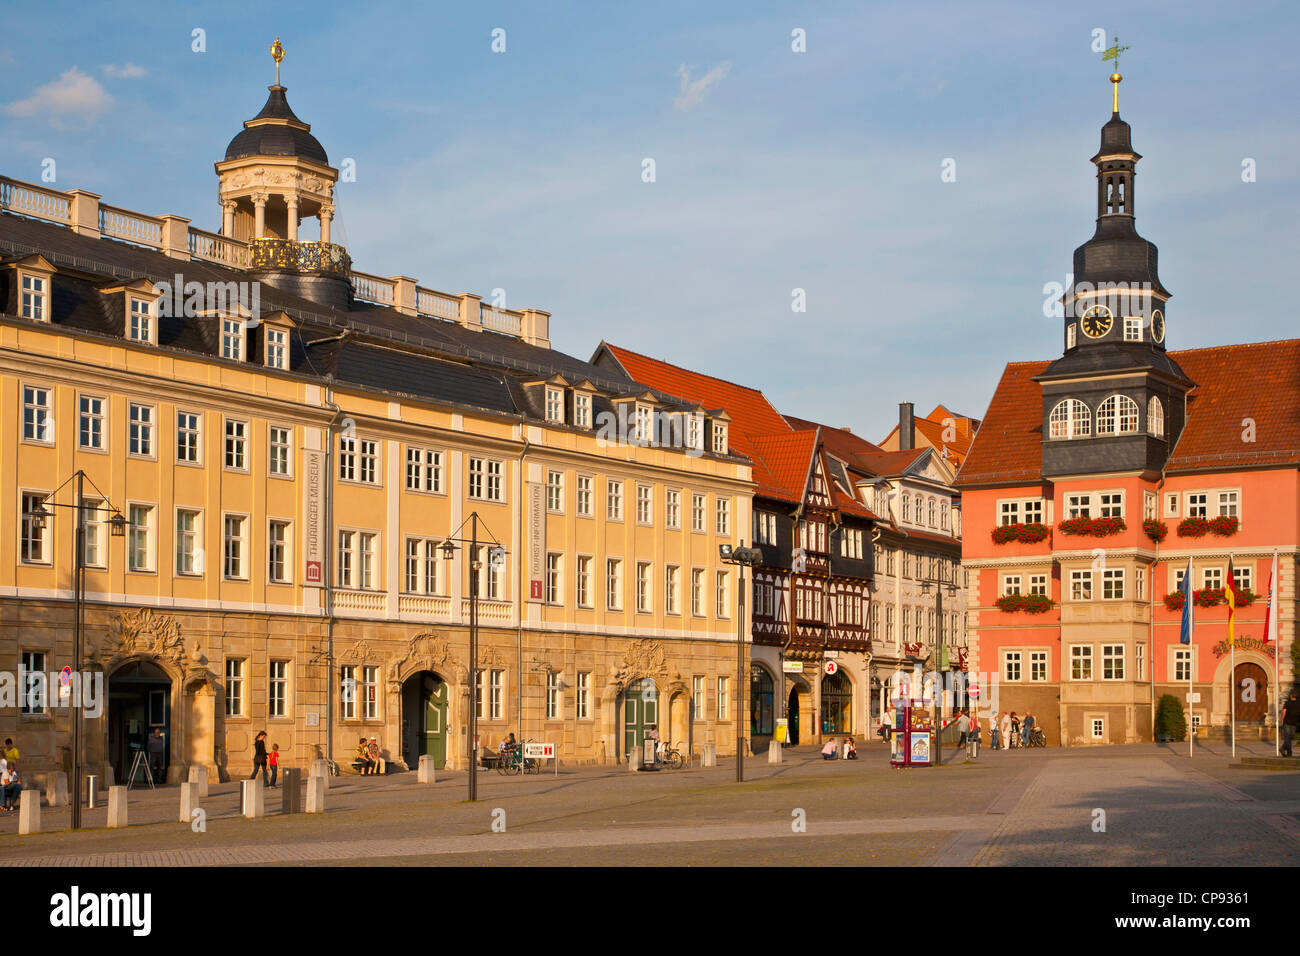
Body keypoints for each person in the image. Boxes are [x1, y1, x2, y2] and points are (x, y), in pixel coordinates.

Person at [1281, 692, 1300, 757]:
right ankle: (1289, 752)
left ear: (1291, 696)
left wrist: (1282, 720)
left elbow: (1284, 712)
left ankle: (1283, 748)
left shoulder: (1288, 703)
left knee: (1288, 737)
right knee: (1289, 737)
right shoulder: (1291, 703)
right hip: (1293, 722)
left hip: (1288, 722)